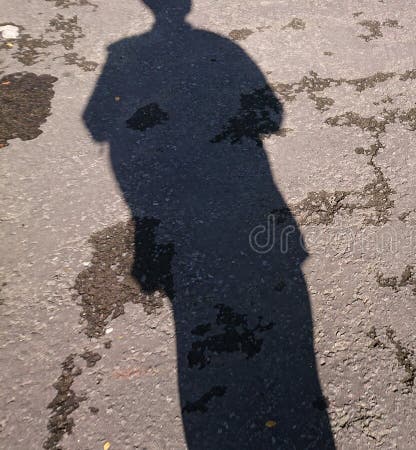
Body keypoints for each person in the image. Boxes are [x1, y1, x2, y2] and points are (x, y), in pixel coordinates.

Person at [83, 1, 334, 447]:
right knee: (275, 304)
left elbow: (95, 121)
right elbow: (272, 115)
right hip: (240, 185)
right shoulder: (218, 45)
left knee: (198, 300)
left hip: (160, 187)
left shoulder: (121, 51)